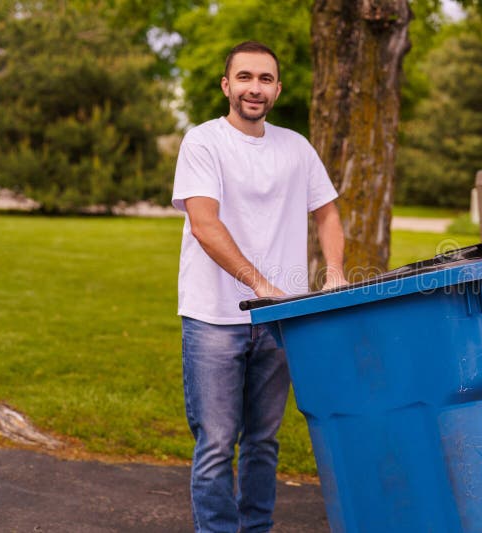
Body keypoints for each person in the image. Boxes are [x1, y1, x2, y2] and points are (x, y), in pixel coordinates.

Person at [171, 40, 346, 533]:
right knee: (217, 442)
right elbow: (205, 225)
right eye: (244, 77)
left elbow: (328, 212)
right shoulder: (203, 142)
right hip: (213, 317)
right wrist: (263, 286)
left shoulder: (297, 147)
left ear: (277, 89)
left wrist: (334, 274)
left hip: (278, 320)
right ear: (227, 85)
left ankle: (255, 529)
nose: (254, 87)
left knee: (264, 441)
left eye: (265, 79)